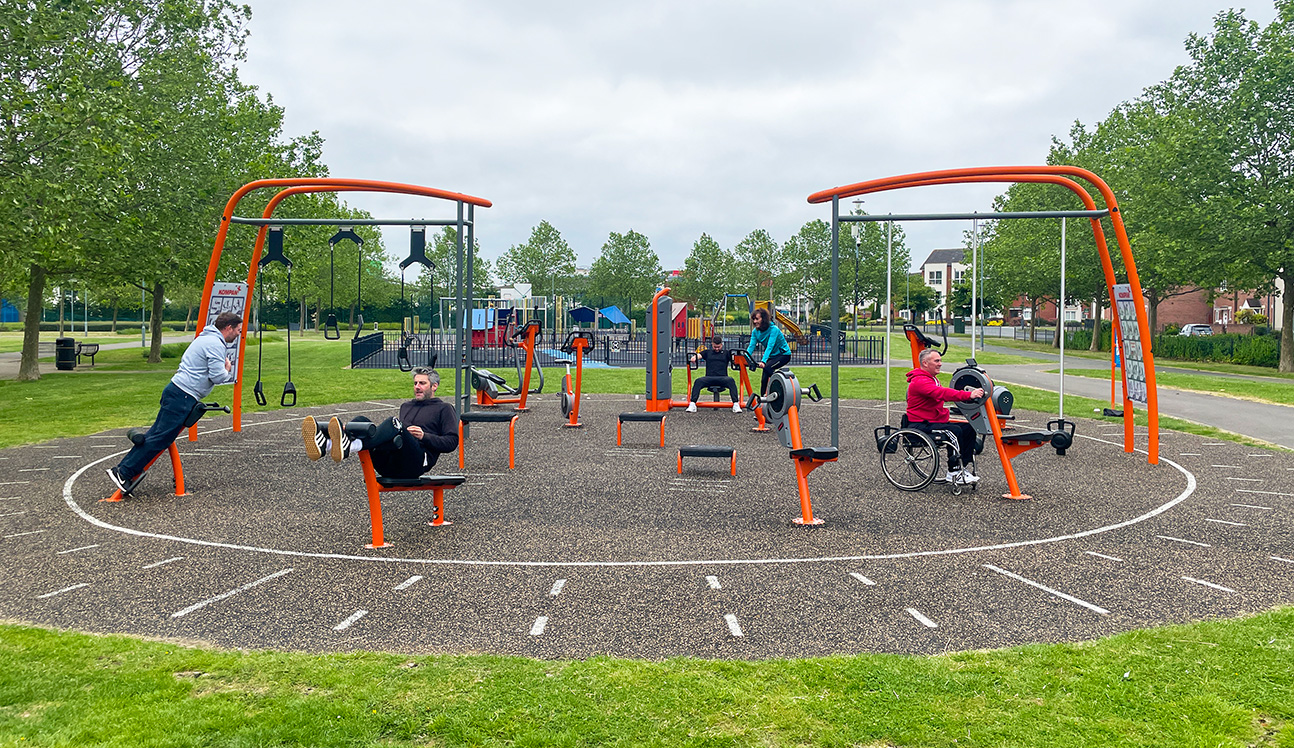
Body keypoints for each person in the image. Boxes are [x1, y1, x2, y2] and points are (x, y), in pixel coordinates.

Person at [106, 312, 242, 496]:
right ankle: (123, 472)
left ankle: (128, 472)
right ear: (228, 328)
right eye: (238, 330)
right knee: (160, 438)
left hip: (178, 391)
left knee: (157, 436)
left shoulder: (206, 338)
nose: (239, 334)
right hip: (183, 395)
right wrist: (227, 370)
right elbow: (217, 376)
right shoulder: (214, 343)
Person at [301, 367, 458, 479]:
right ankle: (326, 444)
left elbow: (451, 442)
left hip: (416, 463)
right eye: (415, 383)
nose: (417, 387)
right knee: (362, 421)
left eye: (422, 383)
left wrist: (424, 436)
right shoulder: (406, 406)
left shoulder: (444, 409)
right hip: (387, 464)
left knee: (394, 424)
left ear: (434, 386)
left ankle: (349, 445)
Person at [905, 348, 985, 485]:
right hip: (921, 424)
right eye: (936, 361)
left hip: (932, 421)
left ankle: (962, 467)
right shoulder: (920, 382)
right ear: (925, 363)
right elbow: (942, 393)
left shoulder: (931, 379)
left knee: (968, 428)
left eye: (940, 360)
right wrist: (968, 395)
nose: (940, 364)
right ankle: (953, 471)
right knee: (954, 432)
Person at [686, 334, 742, 413]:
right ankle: (692, 404)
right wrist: (694, 358)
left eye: (718, 347)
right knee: (698, 381)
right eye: (715, 347)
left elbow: (735, 358)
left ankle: (736, 404)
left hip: (723, 378)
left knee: (731, 381)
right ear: (712, 344)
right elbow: (699, 355)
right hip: (709, 378)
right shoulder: (707, 352)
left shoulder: (726, 353)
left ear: (721, 345)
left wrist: (737, 360)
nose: (716, 349)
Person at [747, 307, 792, 396]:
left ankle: (783, 387)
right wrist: (745, 358)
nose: (755, 322)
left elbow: (769, 346)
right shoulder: (755, 332)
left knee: (767, 368)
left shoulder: (773, 329)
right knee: (764, 379)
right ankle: (763, 399)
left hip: (783, 355)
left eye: (757, 319)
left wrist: (763, 361)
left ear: (763, 319)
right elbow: (751, 346)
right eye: (753, 319)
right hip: (772, 357)